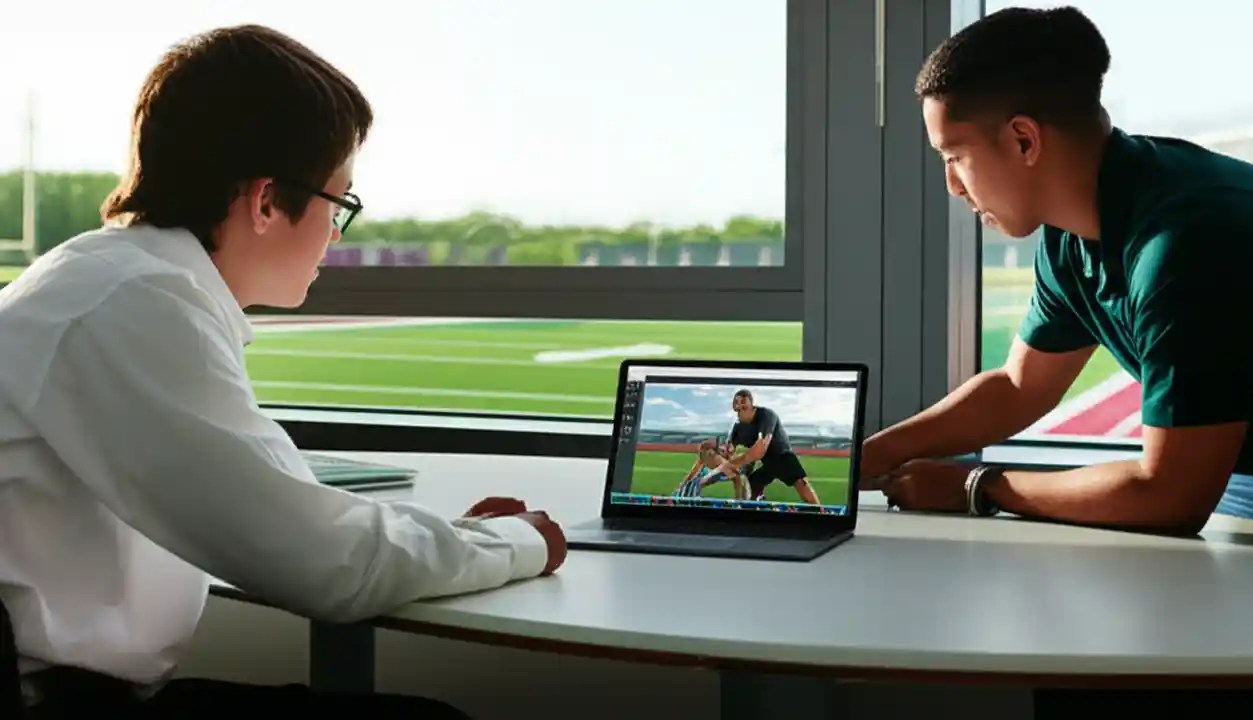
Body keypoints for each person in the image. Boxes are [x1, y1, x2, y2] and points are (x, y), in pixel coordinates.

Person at [0, 24, 566, 718]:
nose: (335, 232)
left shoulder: (112, 280)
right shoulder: (135, 304)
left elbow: (297, 521)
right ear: (267, 201)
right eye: (340, 203)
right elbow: (328, 565)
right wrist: (517, 543)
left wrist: (453, 537)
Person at [865, 6, 1253, 716]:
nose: (952, 188)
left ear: (1024, 139)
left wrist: (978, 488)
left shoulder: (1187, 241)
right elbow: (1021, 385)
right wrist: (859, 458)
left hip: (1246, 493)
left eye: (954, 157)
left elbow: (1171, 496)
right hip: (1247, 485)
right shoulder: (1074, 231)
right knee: (1077, 649)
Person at [723, 390, 821, 505]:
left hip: (783, 456)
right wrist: (727, 452)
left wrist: (733, 464)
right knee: (751, 486)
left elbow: (759, 450)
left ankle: (820, 513)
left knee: (802, 486)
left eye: (743, 403)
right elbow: (728, 449)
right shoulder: (738, 427)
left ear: (751, 404)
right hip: (768, 463)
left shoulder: (766, 415)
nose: (740, 406)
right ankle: (754, 509)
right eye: (737, 404)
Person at [673, 439, 747, 499]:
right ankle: (690, 497)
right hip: (717, 473)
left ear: (710, 452)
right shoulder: (703, 458)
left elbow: (737, 477)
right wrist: (682, 485)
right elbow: (693, 472)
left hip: (728, 473)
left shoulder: (720, 461)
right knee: (695, 481)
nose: (700, 454)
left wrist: (738, 498)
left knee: (697, 482)